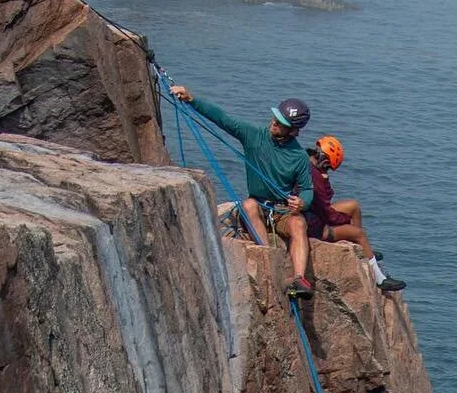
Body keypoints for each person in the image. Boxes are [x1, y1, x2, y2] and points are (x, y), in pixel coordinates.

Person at [170, 85, 316, 296]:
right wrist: (191, 99)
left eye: (281, 123)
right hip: (258, 205)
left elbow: (307, 189)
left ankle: (299, 279)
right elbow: (224, 119)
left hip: (281, 212)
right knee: (248, 205)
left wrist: (302, 202)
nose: (274, 122)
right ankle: (269, 255)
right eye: (275, 118)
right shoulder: (255, 135)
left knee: (299, 222)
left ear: (293, 131)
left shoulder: (299, 156)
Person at [306, 135, 406, 293]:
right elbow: (327, 213)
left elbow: (326, 199)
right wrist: (345, 221)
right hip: (316, 226)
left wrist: (324, 179)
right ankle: (379, 279)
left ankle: (363, 250)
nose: (327, 170)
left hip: (314, 214)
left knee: (353, 206)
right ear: (324, 160)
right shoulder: (315, 176)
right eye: (328, 167)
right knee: (358, 233)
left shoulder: (309, 166)